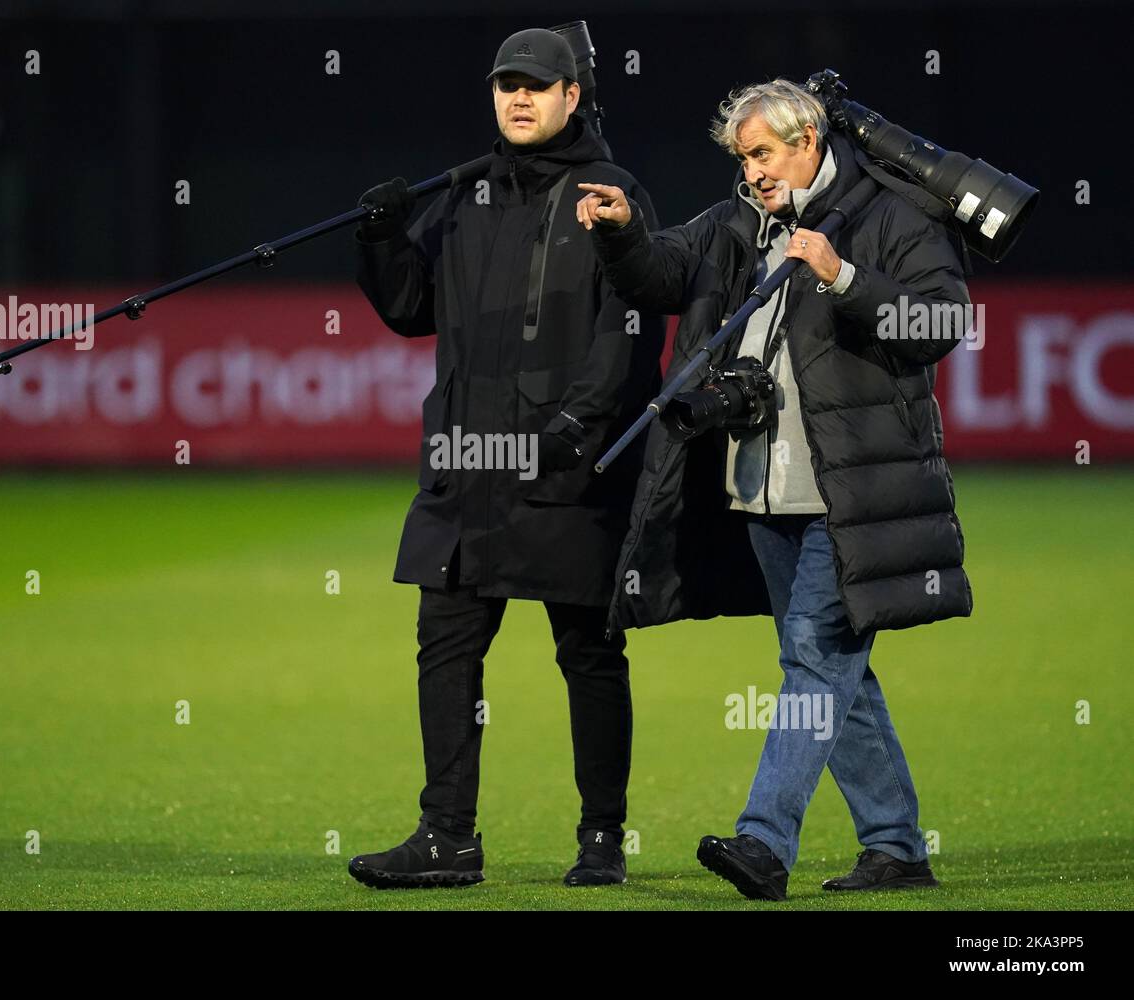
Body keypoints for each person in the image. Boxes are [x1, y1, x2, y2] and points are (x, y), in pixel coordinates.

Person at [575, 78, 972, 900]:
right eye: (742, 157)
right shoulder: (734, 225)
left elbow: (941, 323)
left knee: (812, 660)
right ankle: (897, 847)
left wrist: (844, 276)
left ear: (809, 140)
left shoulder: (890, 214)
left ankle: (764, 842)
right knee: (836, 673)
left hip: (851, 493)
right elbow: (658, 273)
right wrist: (621, 235)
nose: (752, 171)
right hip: (760, 492)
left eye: (762, 153)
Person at [347, 28, 664, 889]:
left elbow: (630, 327)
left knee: (589, 654)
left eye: (537, 85)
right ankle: (447, 837)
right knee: (444, 648)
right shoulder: (463, 195)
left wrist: (578, 426)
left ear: (573, 97)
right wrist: (381, 239)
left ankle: (602, 838)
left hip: (566, 469)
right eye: (505, 86)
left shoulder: (613, 195)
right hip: (463, 468)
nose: (518, 99)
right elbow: (413, 309)